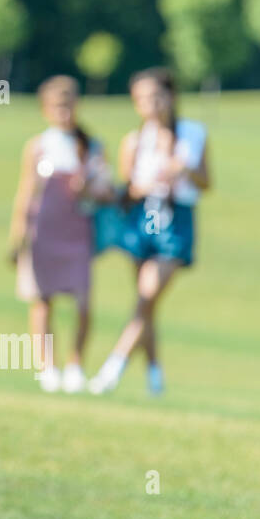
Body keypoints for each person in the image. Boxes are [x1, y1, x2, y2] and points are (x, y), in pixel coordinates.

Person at [89, 67, 211, 395]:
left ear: (171, 97)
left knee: (147, 297)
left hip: (174, 219)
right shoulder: (135, 141)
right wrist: (138, 186)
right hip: (143, 219)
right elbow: (126, 189)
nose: (150, 104)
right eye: (142, 99)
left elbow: (206, 182)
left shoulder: (193, 134)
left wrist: (185, 169)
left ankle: (112, 368)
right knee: (146, 303)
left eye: (156, 96)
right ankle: (155, 373)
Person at [8, 76, 115, 393]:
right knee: (42, 301)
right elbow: (26, 192)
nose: (63, 111)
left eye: (68, 105)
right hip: (44, 230)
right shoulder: (37, 147)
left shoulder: (93, 147)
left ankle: (75, 365)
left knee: (82, 301)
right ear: (45, 109)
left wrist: (90, 190)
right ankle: (47, 367)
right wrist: (18, 236)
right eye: (56, 106)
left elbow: (108, 190)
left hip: (77, 230)